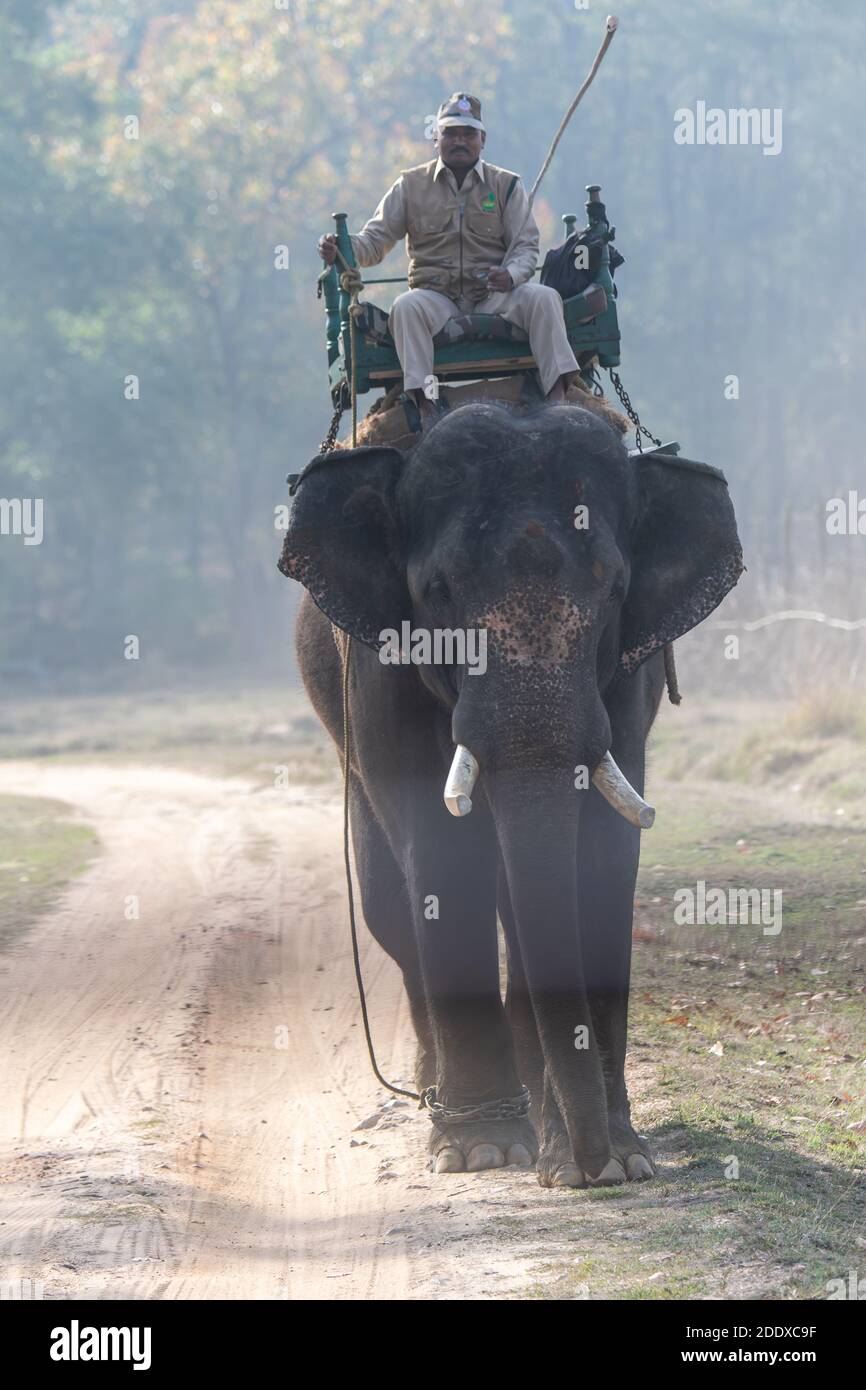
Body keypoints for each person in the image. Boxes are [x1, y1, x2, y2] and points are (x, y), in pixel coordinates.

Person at [317, 92, 579, 424]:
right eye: (451, 133)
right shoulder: (410, 185)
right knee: (405, 307)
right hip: (436, 300)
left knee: (544, 297)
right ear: (436, 139)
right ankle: (426, 408)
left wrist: (510, 275)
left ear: (482, 140)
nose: (459, 141)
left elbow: (526, 248)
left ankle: (557, 401)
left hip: (494, 297)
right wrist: (342, 248)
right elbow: (375, 241)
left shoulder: (507, 186)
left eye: (468, 134)